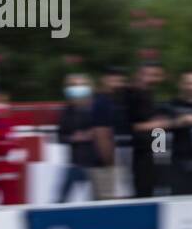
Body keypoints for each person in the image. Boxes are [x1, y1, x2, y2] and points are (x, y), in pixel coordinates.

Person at [56, 74, 102, 203]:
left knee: (99, 200)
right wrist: (73, 138)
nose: (78, 89)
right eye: (74, 86)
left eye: (81, 85)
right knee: (61, 199)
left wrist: (94, 133)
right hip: (76, 162)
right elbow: (61, 136)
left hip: (96, 162)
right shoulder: (67, 111)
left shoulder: (96, 107)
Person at [127, 63, 168, 197]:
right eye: (149, 75)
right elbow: (134, 125)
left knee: (156, 185)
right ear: (139, 75)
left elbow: (158, 127)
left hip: (154, 149)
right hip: (140, 152)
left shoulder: (151, 95)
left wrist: (161, 152)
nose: (153, 79)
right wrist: (161, 124)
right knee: (143, 189)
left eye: (155, 75)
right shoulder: (133, 96)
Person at [90, 68, 130, 199]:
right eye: (114, 80)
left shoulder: (118, 102)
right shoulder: (101, 103)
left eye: (120, 81)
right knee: (107, 202)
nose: (118, 84)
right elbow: (102, 135)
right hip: (106, 164)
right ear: (105, 80)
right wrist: (111, 165)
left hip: (119, 162)